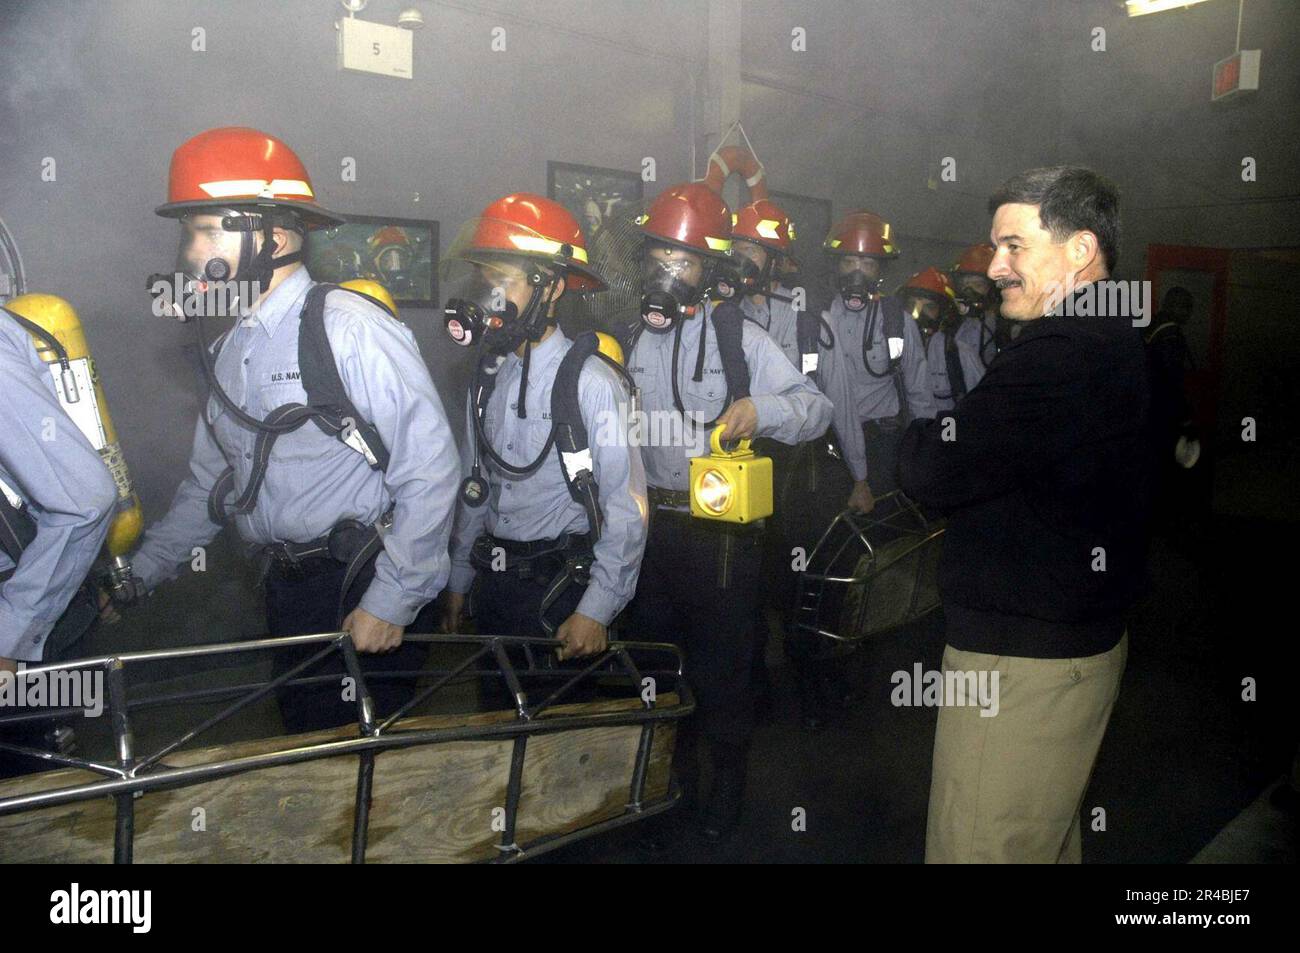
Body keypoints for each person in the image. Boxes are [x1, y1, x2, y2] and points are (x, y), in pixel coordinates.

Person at [128, 127, 459, 732]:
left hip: (361, 580)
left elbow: (431, 467)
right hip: (286, 590)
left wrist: (393, 600)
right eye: (190, 232)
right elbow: (212, 484)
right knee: (307, 761)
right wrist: (140, 572)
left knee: (371, 778)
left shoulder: (349, 328)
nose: (193, 251)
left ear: (273, 236)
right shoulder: (229, 349)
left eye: (208, 230)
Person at [899, 165, 1153, 863]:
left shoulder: (1062, 350)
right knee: (1037, 841)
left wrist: (910, 433)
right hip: (1074, 649)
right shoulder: (1112, 333)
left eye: (1014, 246)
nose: (995, 265)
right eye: (993, 247)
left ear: (1080, 249)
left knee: (981, 847)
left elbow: (937, 467)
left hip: (1023, 666)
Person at [622, 182, 833, 842]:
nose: (667, 273)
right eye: (658, 256)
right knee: (658, 661)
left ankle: (730, 779)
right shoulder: (631, 338)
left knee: (722, 664)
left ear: (708, 269)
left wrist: (760, 410)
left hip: (720, 532)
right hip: (655, 528)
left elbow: (816, 407)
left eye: (682, 262)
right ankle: (667, 778)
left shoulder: (736, 334)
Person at [439, 193, 647, 699]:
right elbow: (476, 488)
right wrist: (461, 577)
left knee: (561, 749)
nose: (491, 299)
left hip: (559, 595)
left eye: (503, 283)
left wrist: (595, 609)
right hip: (496, 590)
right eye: (486, 283)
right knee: (499, 730)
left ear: (550, 287)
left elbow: (627, 506)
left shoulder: (593, 383)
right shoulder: (488, 378)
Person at [816, 211, 935, 516]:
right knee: (829, 526)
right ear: (836, 265)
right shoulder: (817, 319)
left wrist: (926, 453)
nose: (857, 272)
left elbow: (919, 391)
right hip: (829, 443)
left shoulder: (898, 322)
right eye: (849, 262)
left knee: (880, 527)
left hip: (883, 444)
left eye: (867, 263)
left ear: (880, 270)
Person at [897, 266, 986, 411]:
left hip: (947, 429)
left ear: (943, 312)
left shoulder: (958, 353)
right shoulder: (890, 348)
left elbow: (981, 404)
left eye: (930, 307)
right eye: (912, 305)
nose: (917, 315)